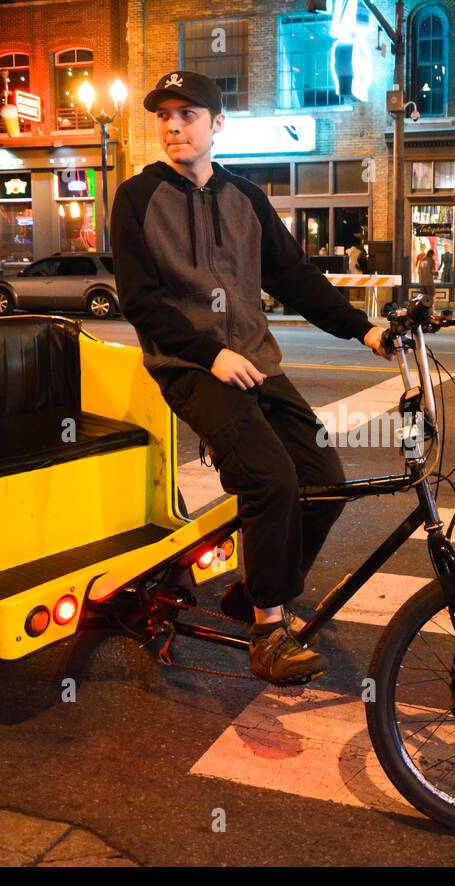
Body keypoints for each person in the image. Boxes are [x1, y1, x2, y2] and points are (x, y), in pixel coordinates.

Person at [111, 71, 390, 685]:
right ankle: (269, 628)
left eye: (189, 114)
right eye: (165, 115)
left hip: (256, 364)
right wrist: (208, 354)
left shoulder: (247, 199)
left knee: (326, 480)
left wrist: (363, 329)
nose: (174, 125)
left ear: (218, 125)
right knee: (270, 480)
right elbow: (139, 299)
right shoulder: (136, 197)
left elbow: (294, 278)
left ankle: (257, 589)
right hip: (190, 368)